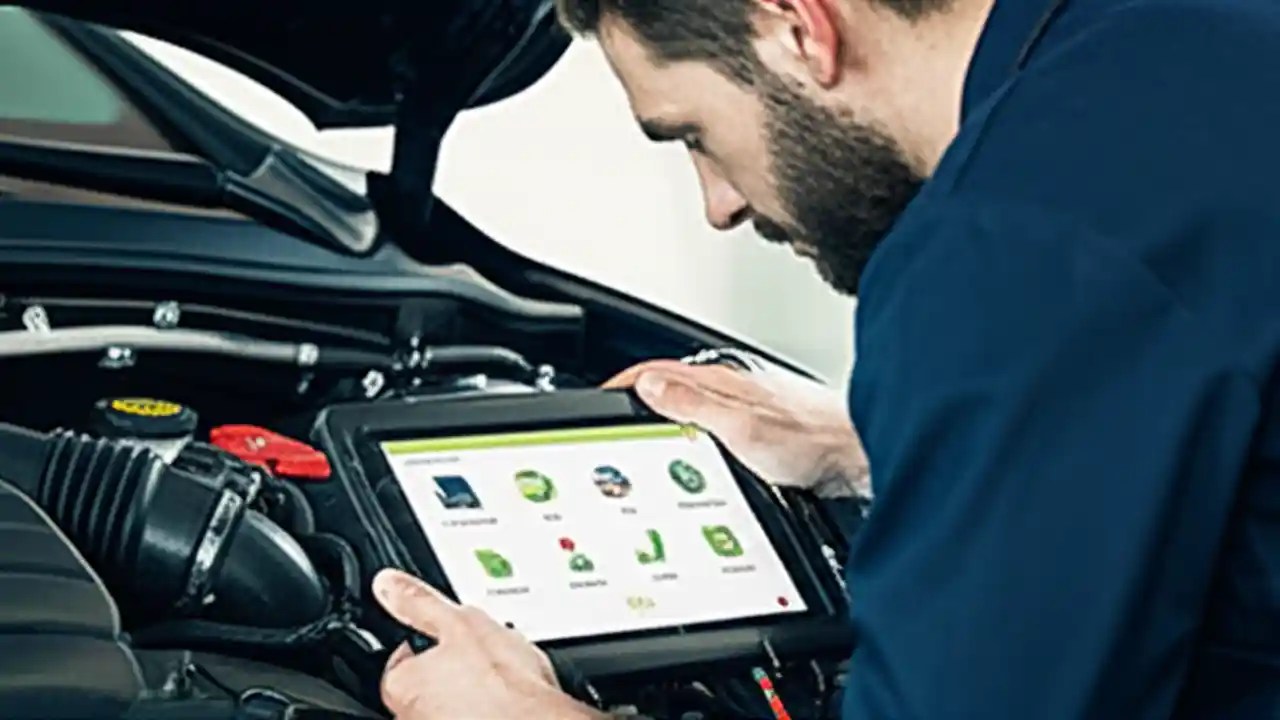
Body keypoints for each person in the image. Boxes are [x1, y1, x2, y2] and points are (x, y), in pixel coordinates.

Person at [372, 0, 1280, 716]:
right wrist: (876, 441)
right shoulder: (1190, 33)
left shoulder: (1008, 248)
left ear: (800, 28)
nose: (717, 204)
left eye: (690, 132)